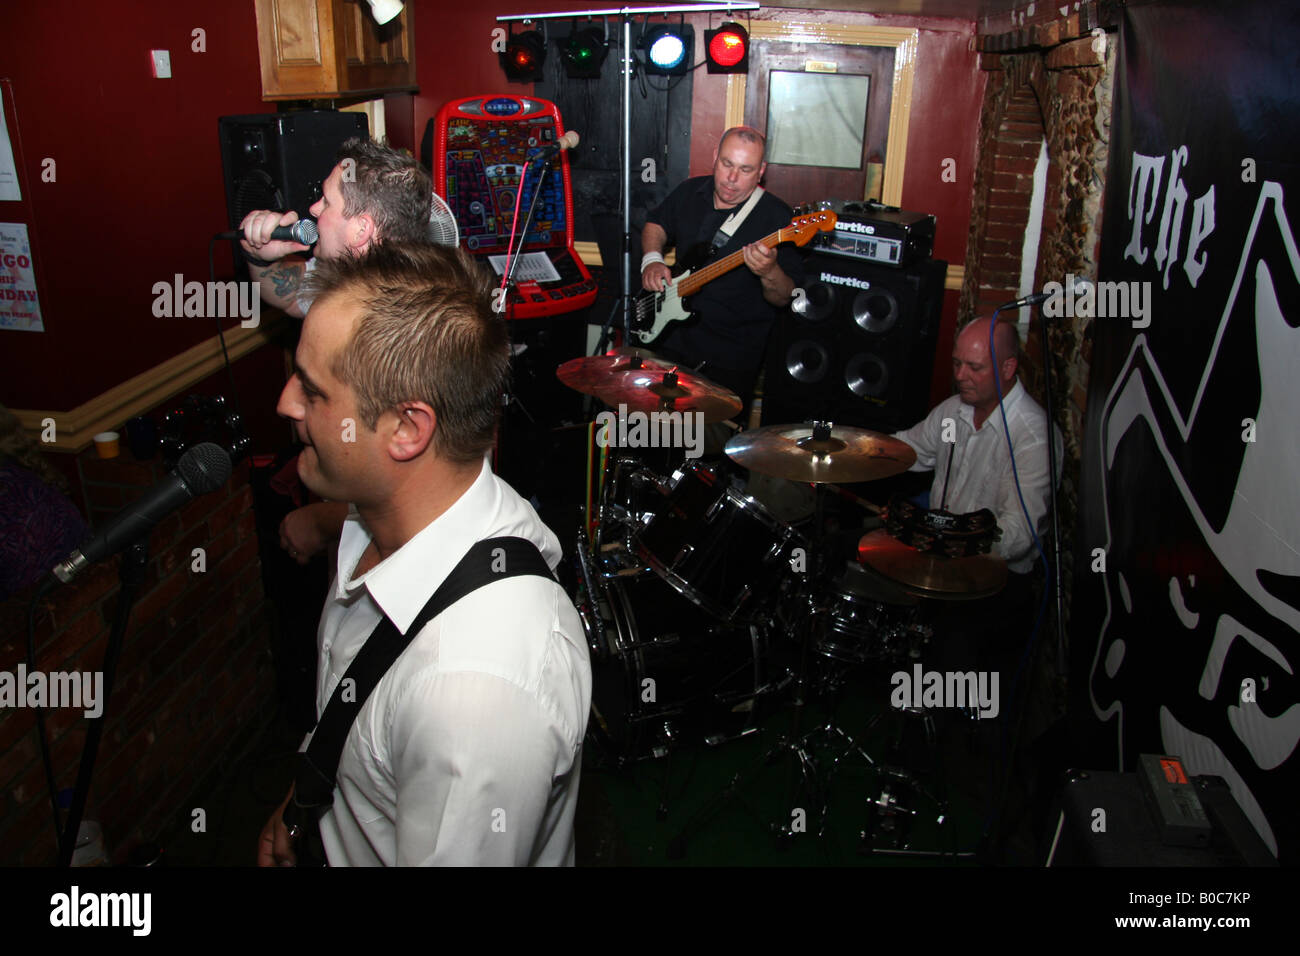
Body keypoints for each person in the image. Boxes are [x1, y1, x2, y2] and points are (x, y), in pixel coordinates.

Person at [256, 242, 590, 866]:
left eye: (313, 390)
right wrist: (312, 793)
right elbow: (359, 704)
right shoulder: (377, 512)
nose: (286, 405)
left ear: (407, 429)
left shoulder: (475, 691)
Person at [238, 138, 434, 563]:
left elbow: (414, 491)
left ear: (361, 229)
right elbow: (286, 295)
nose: (312, 211)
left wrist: (326, 520)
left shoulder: (409, 328)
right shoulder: (346, 278)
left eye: (325, 202)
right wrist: (262, 258)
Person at [640, 126, 802, 415]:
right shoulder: (690, 191)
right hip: (669, 340)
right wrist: (652, 259)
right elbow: (656, 223)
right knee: (654, 436)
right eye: (727, 164)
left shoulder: (778, 218)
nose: (732, 178)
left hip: (729, 359)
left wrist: (769, 271)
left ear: (761, 171)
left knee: (708, 448)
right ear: (715, 156)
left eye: (745, 169)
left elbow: (785, 296)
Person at [892, 317, 1061, 576]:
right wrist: (855, 448)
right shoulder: (952, 411)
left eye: (974, 367)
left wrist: (954, 543)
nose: (960, 376)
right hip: (941, 560)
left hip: (995, 579)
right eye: (957, 363)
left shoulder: (1033, 437)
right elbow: (906, 450)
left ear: (1008, 368)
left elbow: (1019, 533)